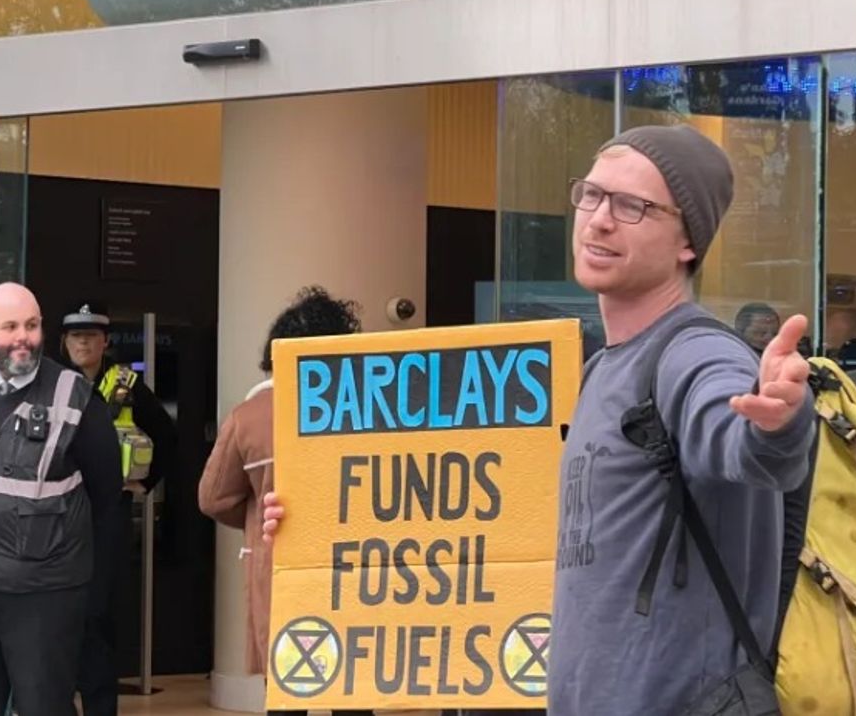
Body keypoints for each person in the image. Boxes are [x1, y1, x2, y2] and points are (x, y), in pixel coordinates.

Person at [264, 125, 816, 716]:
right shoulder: (601, 368)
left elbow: (742, 443)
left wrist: (778, 423)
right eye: (592, 195)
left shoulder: (696, 355)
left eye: (633, 207)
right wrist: (318, 524)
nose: (600, 219)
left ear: (688, 241)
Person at [0, 283, 122, 716]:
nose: (23, 337)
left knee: (44, 706)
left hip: (43, 589)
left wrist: (97, 597)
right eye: (10, 326)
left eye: (32, 325)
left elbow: (107, 499)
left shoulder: (75, 397)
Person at [198, 286, 371, 716]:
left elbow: (213, 498)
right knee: (355, 696)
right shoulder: (370, 409)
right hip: (355, 574)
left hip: (282, 574)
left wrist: (259, 516)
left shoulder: (249, 416)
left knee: (288, 689)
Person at [58, 301, 178, 716]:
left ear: (105, 341)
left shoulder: (125, 382)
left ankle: (100, 707)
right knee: (56, 613)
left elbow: (167, 434)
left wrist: (145, 482)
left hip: (108, 511)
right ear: (64, 342)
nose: (83, 342)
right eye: (76, 335)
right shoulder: (52, 383)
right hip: (59, 511)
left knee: (98, 612)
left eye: (91, 335)